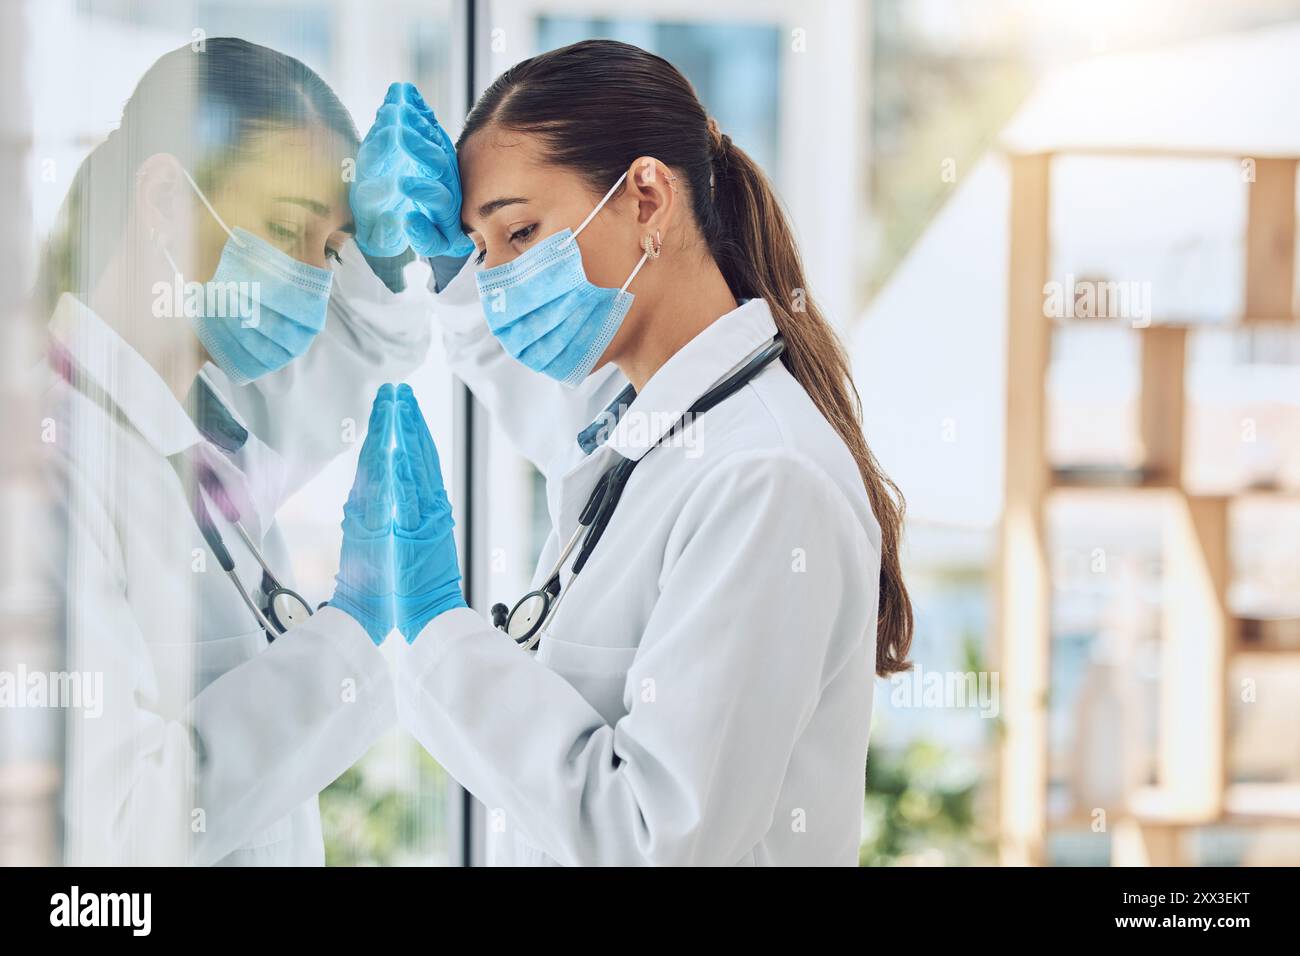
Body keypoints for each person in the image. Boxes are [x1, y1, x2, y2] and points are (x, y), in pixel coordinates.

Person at [361, 39, 915, 866]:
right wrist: (452, 274)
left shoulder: (766, 479)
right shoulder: (652, 426)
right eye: (484, 252)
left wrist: (444, 636)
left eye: (520, 232)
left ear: (648, 197)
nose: (503, 282)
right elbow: (564, 421)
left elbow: (655, 839)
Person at [37, 39, 432, 865]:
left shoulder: (198, 427)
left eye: (327, 252)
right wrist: (347, 641)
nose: (312, 282)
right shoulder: (50, 467)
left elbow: (366, 355)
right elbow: (118, 834)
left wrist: (385, 255)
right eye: (287, 228)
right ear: (162, 201)